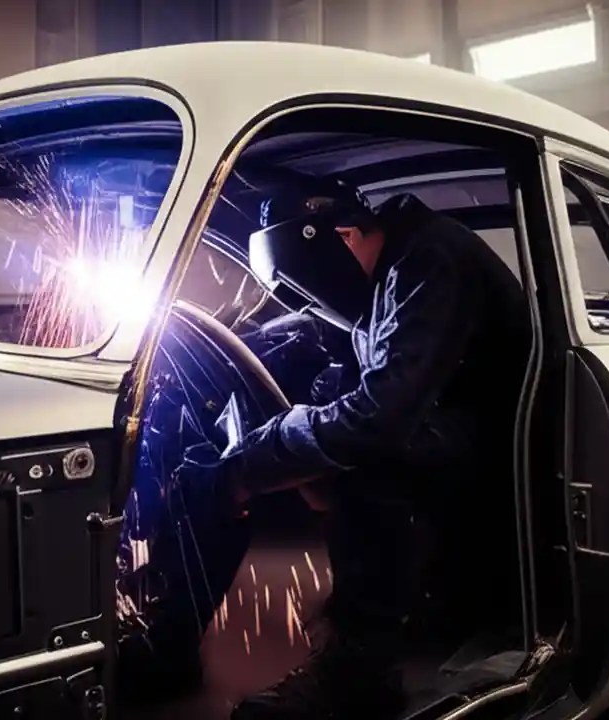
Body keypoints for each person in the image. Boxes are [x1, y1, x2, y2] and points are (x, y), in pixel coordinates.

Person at [117, 177, 532, 720]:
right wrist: (259, 453)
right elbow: (351, 384)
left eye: (306, 284)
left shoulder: (431, 260)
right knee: (211, 461)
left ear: (342, 236)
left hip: (495, 458)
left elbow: (381, 417)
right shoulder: (385, 274)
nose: (313, 302)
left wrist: (266, 460)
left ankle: (358, 674)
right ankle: (166, 638)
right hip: (427, 432)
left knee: (365, 465)